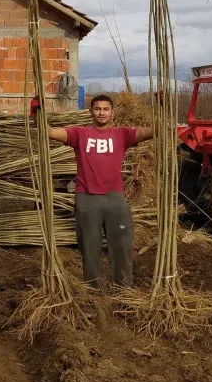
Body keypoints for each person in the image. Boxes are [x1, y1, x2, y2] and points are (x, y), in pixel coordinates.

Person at [30, 94, 153, 291]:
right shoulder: (80, 133)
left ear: (113, 113)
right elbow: (50, 132)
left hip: (115, 198)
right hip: (87, 198)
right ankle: (93, 291)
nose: (101, 112)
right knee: (90, 246)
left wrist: (162, 112)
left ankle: (123, 289)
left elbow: (150, 132)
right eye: (97, 109)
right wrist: (37, 114)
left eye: (106, 109)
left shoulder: (122, 134)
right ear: (91, 112)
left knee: (122, 244)